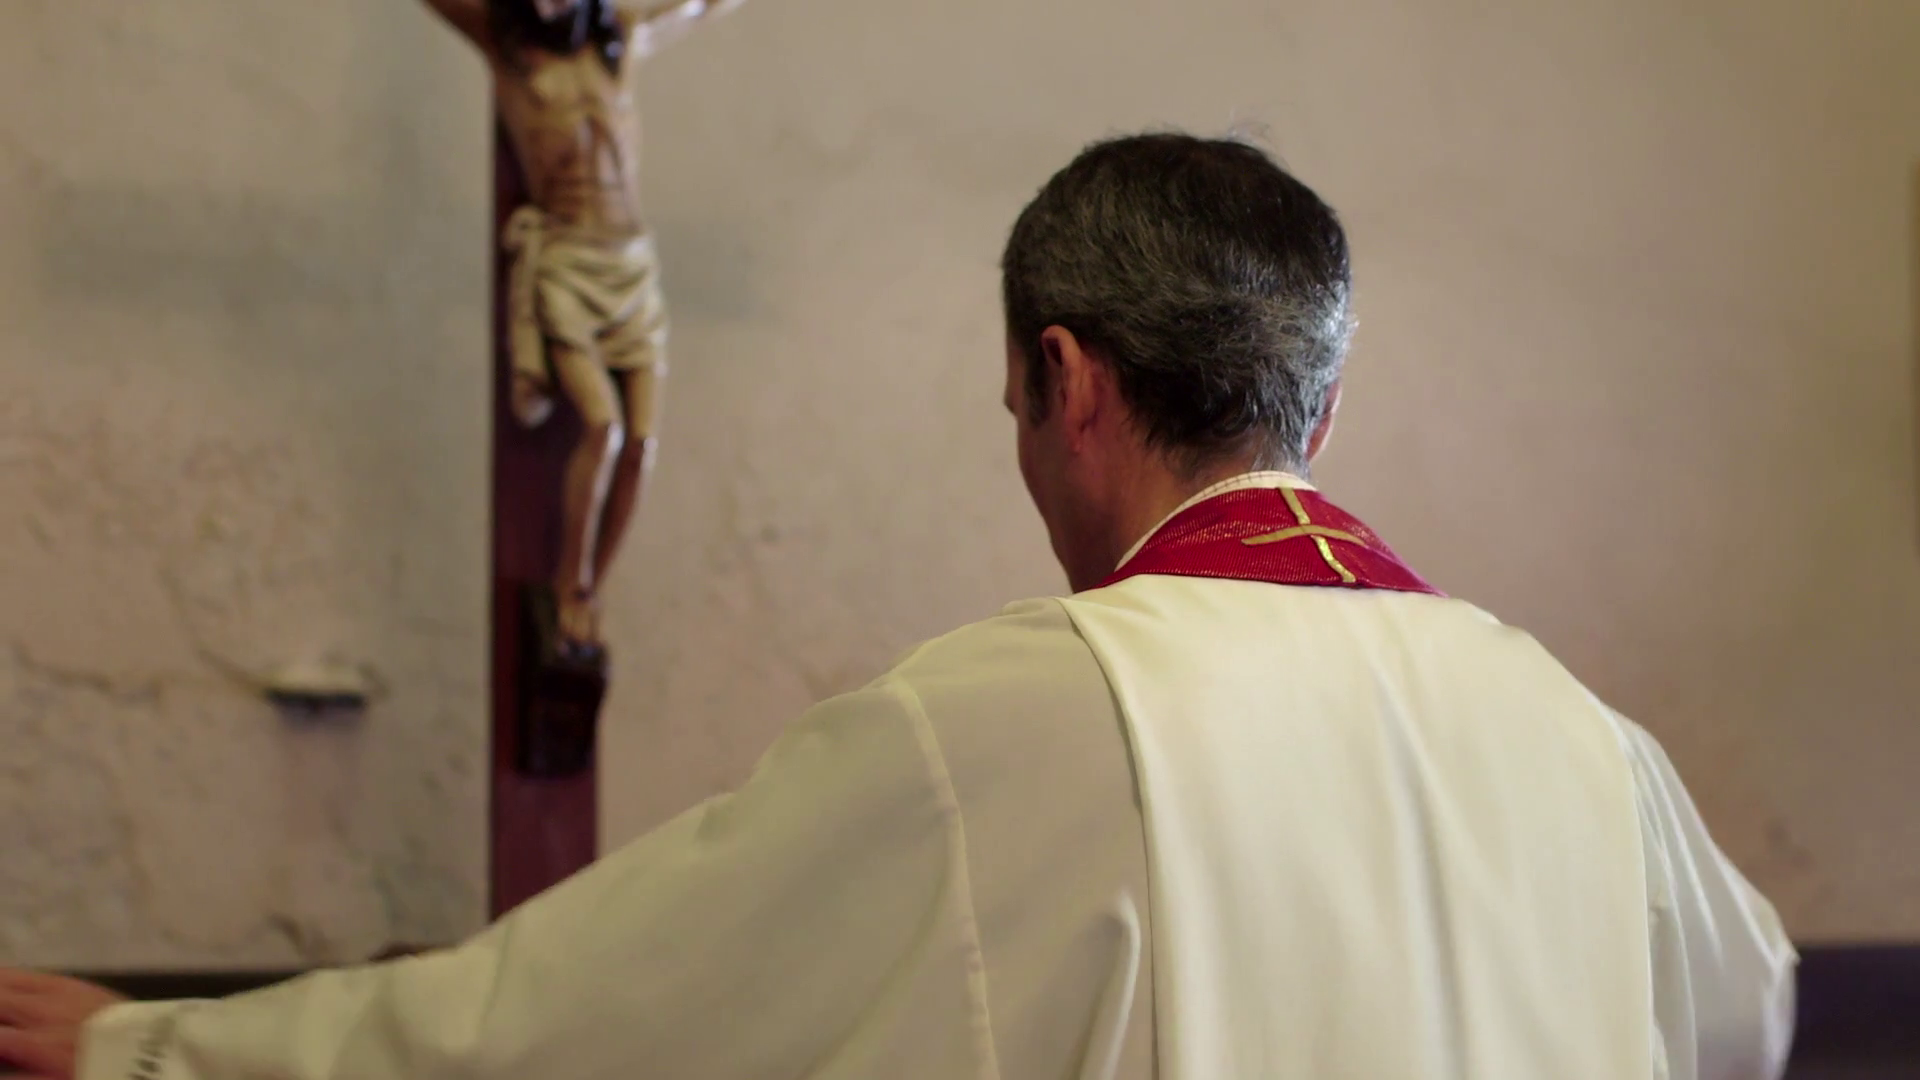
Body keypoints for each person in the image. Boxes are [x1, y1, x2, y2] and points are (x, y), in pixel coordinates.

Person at [0, 133, 1796, 1080]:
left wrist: (163, 1049)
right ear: (1320, 417)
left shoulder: (1021, 721)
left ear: (1060, 379)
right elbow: (1754, 1008)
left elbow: (577, 1027)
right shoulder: (1579, 732)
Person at [424, 0, 746, 651]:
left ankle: (593, 586)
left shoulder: (619, 39)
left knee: (641, 445)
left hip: (629, 262)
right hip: (567, 261)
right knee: (602, 426)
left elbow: (700, 5)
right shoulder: (506, 47)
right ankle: (570, 582)